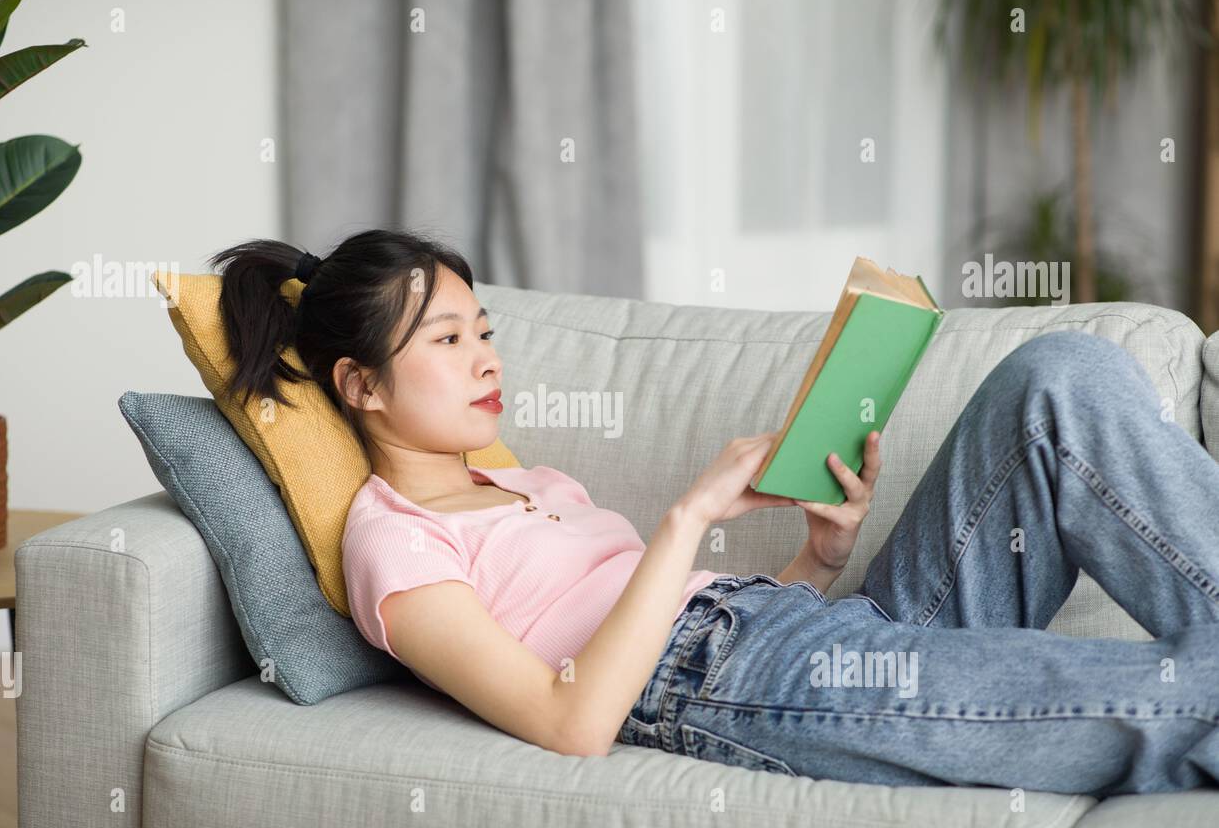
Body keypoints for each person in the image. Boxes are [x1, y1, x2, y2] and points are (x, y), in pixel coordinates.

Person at [213, 228, 1219, 799]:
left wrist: (816, 558)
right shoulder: (391, 541)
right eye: (445, 338)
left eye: (484, 328)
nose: (486, 357)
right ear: (361, 384)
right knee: (1179, 687)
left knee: (1062, 374)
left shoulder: (529, 481)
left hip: (808, 634)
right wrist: (685, 517)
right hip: (732, 679)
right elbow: (574, 717)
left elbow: (723, 620)